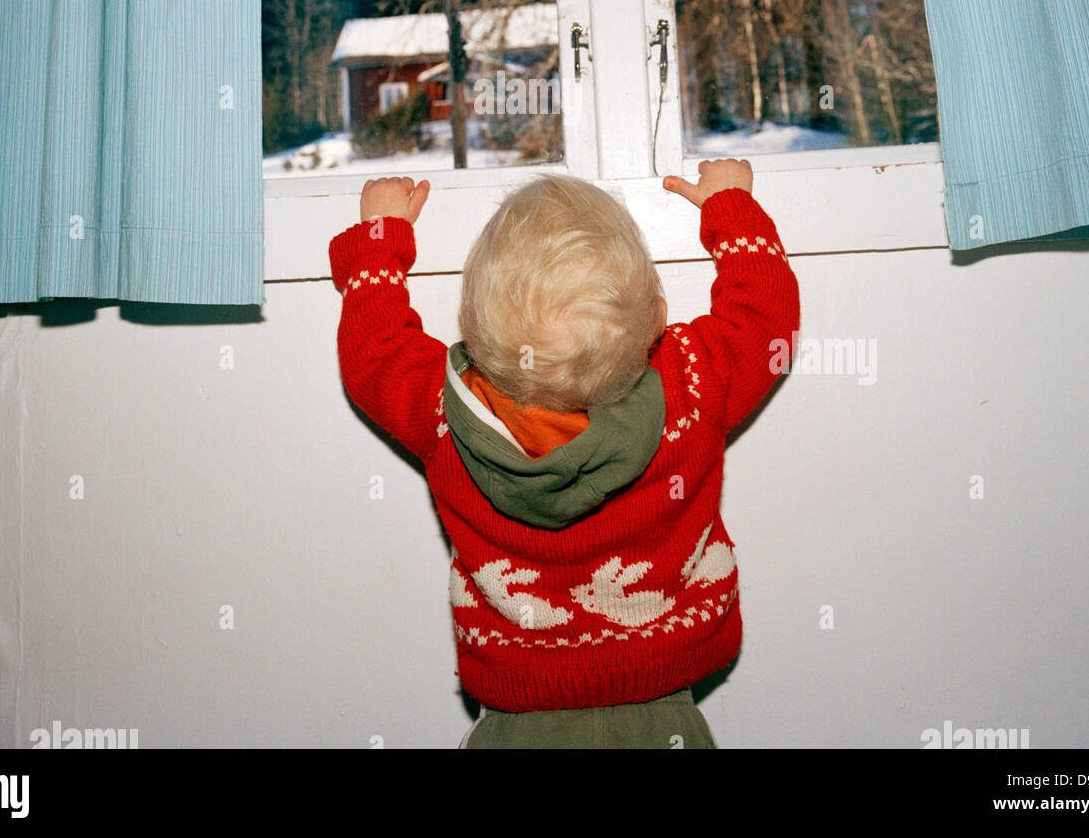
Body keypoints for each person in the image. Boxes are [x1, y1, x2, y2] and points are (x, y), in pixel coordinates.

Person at [328, 158, 799, 748]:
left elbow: (374, 352)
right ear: (658, 316)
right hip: (664, 718)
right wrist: (731, 208)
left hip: (514, 725)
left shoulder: (443, 413)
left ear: (472, 329)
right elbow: (765, 318)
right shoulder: (692, 386)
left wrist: (380, 238)